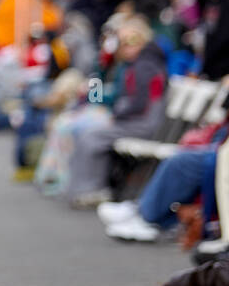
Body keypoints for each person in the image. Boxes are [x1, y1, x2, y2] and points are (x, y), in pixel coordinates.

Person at [101, 36, 229, 242]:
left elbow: (137, 103)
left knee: (186, 161)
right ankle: (137, 208)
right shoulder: (122, 66)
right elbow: (108, 90)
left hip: (147, 125)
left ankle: (136, 210)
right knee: (186, 159)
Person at [63, 16, 168, 207]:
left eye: (132, 40)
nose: (125, 45)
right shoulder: (114, 63)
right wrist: (100, 64)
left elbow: (114, 98)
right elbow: (98, 87)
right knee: (70, 125)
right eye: (118, 40)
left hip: (123, 115)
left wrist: (95, 94)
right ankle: (74, 186)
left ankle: (89, 189)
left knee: (81, 129)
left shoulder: (141, 65)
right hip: (107, 110)